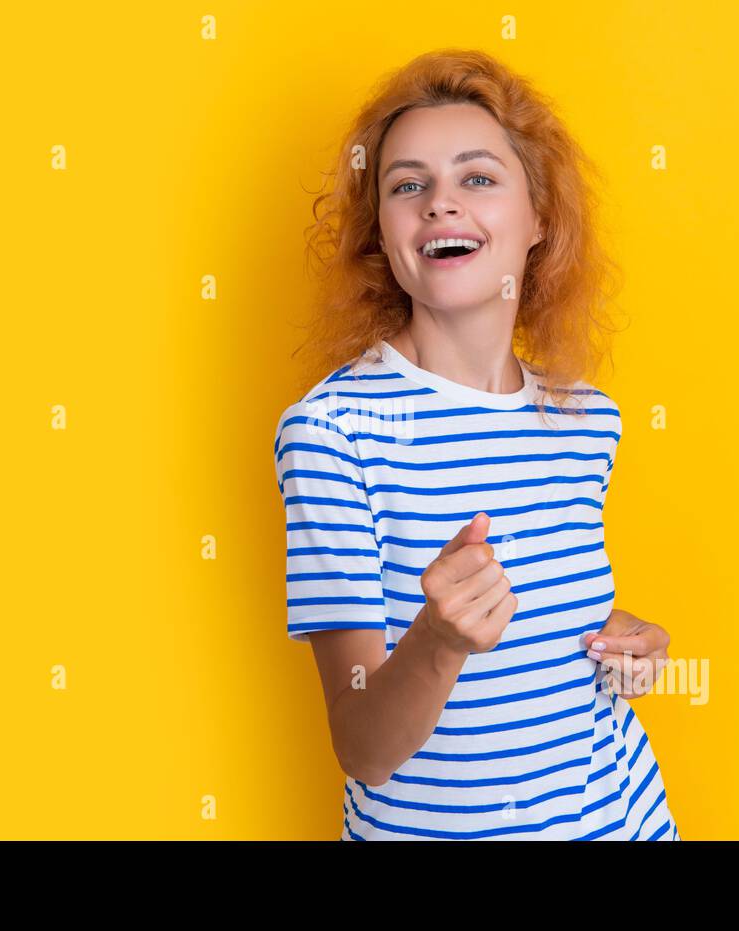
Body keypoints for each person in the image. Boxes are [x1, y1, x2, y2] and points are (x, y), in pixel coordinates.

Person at [273, 48, 680, 840]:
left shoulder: (586, 418)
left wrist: (614, 641)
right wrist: (436, 640)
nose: (440, 204)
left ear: (539, 222)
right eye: (408, 184)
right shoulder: (333, 433)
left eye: (479, 177)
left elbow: (543, 639)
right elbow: (363, 748)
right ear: (381, 233)